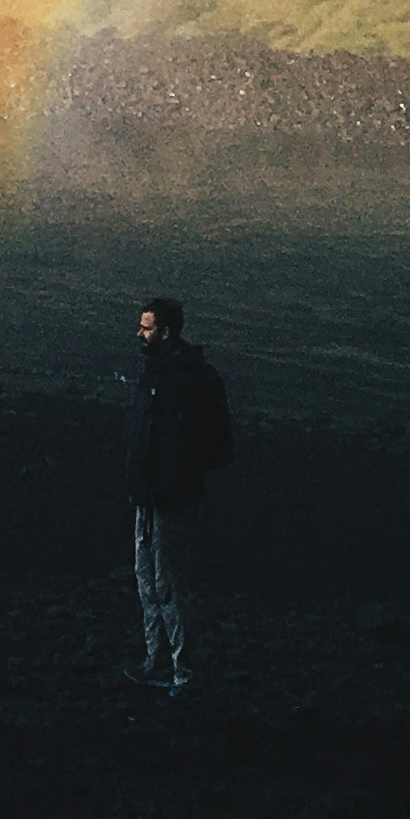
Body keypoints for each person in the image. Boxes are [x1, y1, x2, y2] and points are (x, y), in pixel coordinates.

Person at [124, 295, 234, 693]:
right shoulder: (161, 371)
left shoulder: (179, 380)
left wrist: (161, 489)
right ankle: (158, 661)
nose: (139, 333)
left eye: (147, 327)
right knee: (148, 580)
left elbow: (175, 445)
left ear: (165, 332)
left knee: (167, 583)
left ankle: (182, 673)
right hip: (151, 497)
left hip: (166, 499)